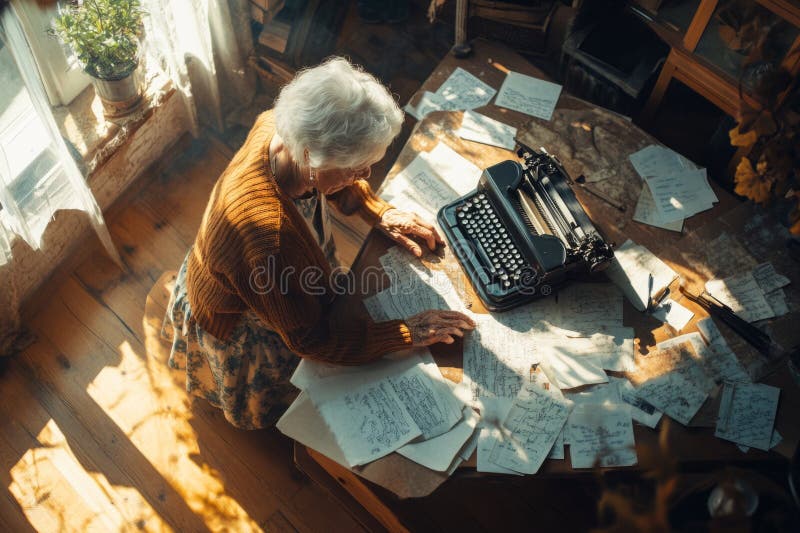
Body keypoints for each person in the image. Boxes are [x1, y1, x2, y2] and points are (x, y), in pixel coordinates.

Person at [163, 57, 475, 429]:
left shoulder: (281, 127)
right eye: (356, 168)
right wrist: (407, 332)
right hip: (245, 320)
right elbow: (310, 338)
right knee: (296, 400)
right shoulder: (269, 239)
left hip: (262, 271)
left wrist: (375, 210)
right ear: (312, 158)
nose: (365, 175)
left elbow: (331, 174)